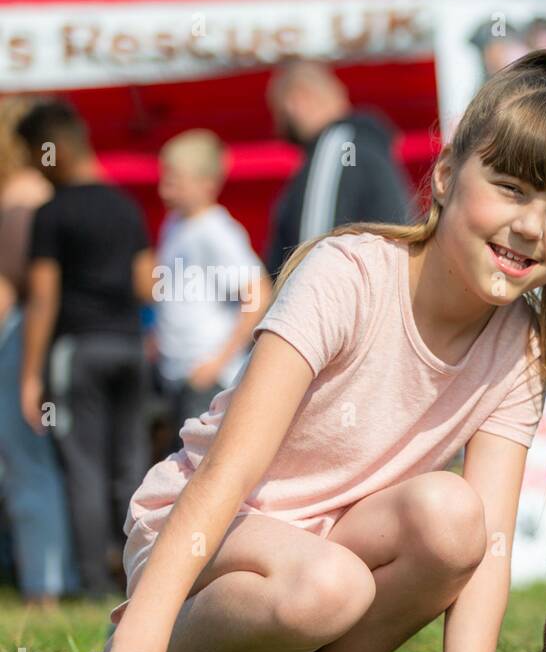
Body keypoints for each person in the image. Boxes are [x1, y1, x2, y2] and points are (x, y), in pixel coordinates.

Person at [72, 50, 546, 652]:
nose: (529, 227)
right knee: (329, 586)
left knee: (457, 521)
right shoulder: (349, 274)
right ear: (450, 174)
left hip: (329, 559)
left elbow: (485, 552)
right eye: (511, 188)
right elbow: (226, 477)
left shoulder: (522, 347)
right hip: (208, 531)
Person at [16, 99, 155, 599]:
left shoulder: (52, 213)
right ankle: (138, 576)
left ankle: (94, 584)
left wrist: (29, 376)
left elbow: (43, 298)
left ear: (48, 151)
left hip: (77, 352)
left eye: (34, 156)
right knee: (131, 466)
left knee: (84, 468)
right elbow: (146, 284)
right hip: (128, 348)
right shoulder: (125, 206)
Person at [0, 95, 79, 609]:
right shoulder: (38, 191)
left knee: (27, 460)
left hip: (19, 336)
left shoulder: (20, 196)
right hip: (37, 335)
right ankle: (51, 576)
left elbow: (12, 282)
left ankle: (45, 582)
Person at [154, 129, 273, 449]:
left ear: (206, 184)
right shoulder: (174, 224)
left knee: (198, 465)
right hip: (178, 373)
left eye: (174, 179)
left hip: (207, 378)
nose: (163, 188)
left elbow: (258, 292)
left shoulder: (217, 231)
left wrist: (217, 362)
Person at [263, 60, 413, 279]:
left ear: (296, 100)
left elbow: (315, 253)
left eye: (277, 110)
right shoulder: (363, 145)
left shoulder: (336, 147)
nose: (277, 125)